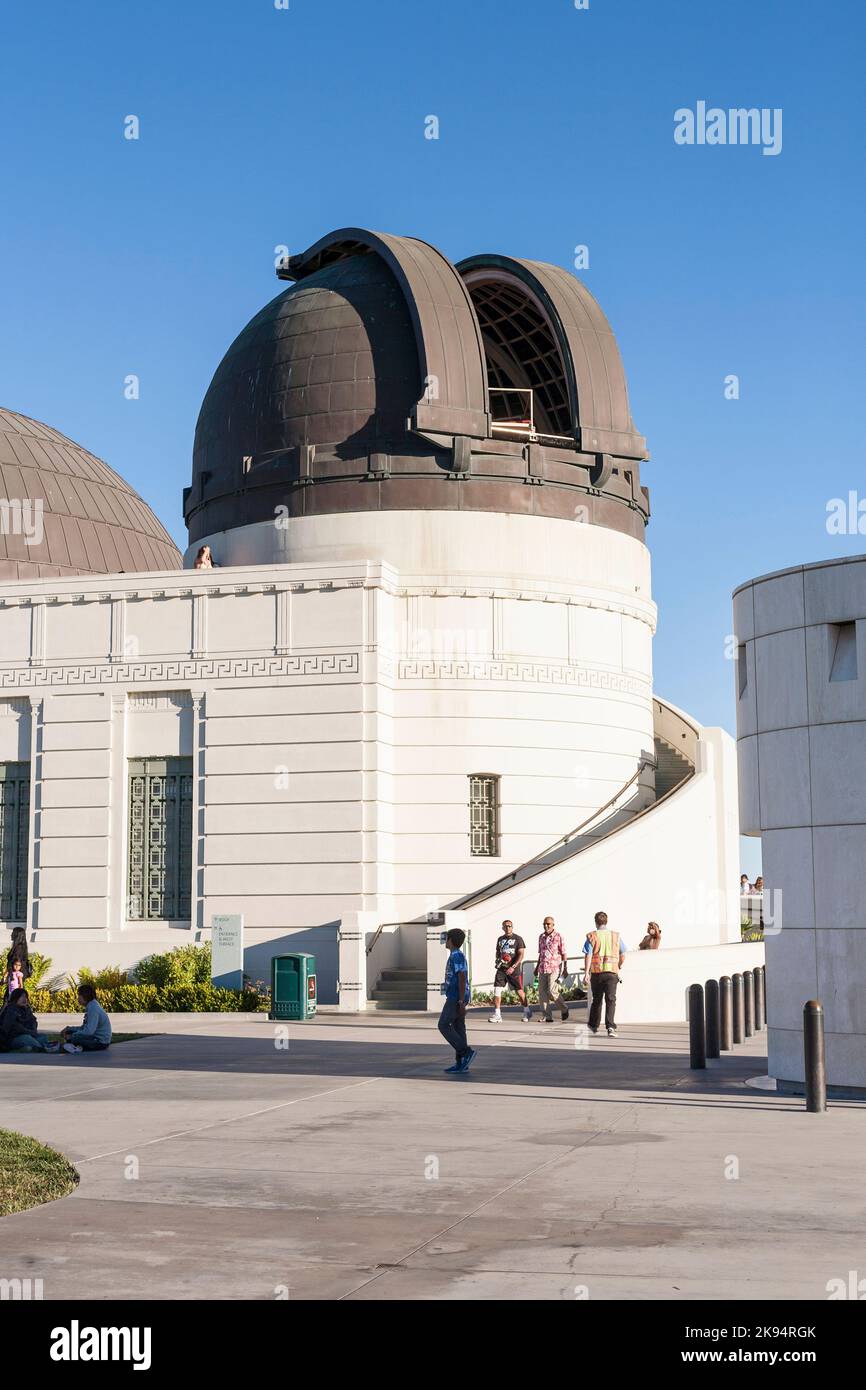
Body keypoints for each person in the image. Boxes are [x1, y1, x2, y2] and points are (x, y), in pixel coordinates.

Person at [437, 928, 476, 1074]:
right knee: (459, 1027)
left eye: (447, 938)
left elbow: (461, 977)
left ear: (451, 940)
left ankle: (466, 1052)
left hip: (455, 997)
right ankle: (461, 1063)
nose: (445, 941)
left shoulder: (456, 956)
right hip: (457, 995)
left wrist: (460, 1001)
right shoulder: (455, 955)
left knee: (443, 1025)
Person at [583, 911, 626, 1037]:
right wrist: (618, 966)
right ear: (606, 921)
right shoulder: (615, 936)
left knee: (597, 1000)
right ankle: (610, 1027)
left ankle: (593, 1026)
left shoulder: (592, 936)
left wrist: (586, 973)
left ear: (596, 922)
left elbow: (588, 954)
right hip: (612, 973)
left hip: (596, 973)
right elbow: (623, 954)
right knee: (611, 999)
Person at [488, 919, 531, 1023]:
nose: (508, 928)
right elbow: (498, 952)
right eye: (506, 926)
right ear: (503, 928)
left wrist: (513, 966)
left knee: (519, 991)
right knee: (497, 990)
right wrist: (497, 960)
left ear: (512, 927)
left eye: (509, 926)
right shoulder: (500, 939)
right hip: (502, 969)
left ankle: (527, 1011)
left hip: (514, 970)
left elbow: (521, 954)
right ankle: (497, 1014)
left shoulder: (518, 939)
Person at [534, 916, 570, 1023]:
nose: (546, 926)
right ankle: (547, 1016)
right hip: (542, 968)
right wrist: (536, 967)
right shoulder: (541, 937)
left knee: (552, 991)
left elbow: (563, 953)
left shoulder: (558, 936)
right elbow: (541, 954)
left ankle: (564, 1008)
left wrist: (565, 968)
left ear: (553, 925)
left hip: (554, 968)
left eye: (548, 924)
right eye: (544, 924)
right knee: (542, 993)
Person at [59, 983, 112, 1054]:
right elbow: (84, 1028)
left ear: (85, 996)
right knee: (70, 1033)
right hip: (95, 1038)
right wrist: (69, 1029)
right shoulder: (91, 1005)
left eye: (79, 995)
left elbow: (89, 1031)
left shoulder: (93, 1008)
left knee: (74, 1038)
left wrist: (72, 1036)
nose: (78, 998)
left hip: (100, 1042)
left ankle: (75, 1047)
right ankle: (74, 1046)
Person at [0, 989, 53, 1053]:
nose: (24, 999)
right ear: (15, 998)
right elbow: (18, 1028)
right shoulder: (11, 1010)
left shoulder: (27, 1009)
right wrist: (31, 1033)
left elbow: (33, 1021)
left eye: (25, 997)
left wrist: (33, 1030)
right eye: (22, 997)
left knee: (43, 1037)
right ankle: (45, 1048)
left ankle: (31, 1048)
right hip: (13, 1038)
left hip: (29, 1034)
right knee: (27, 1039)